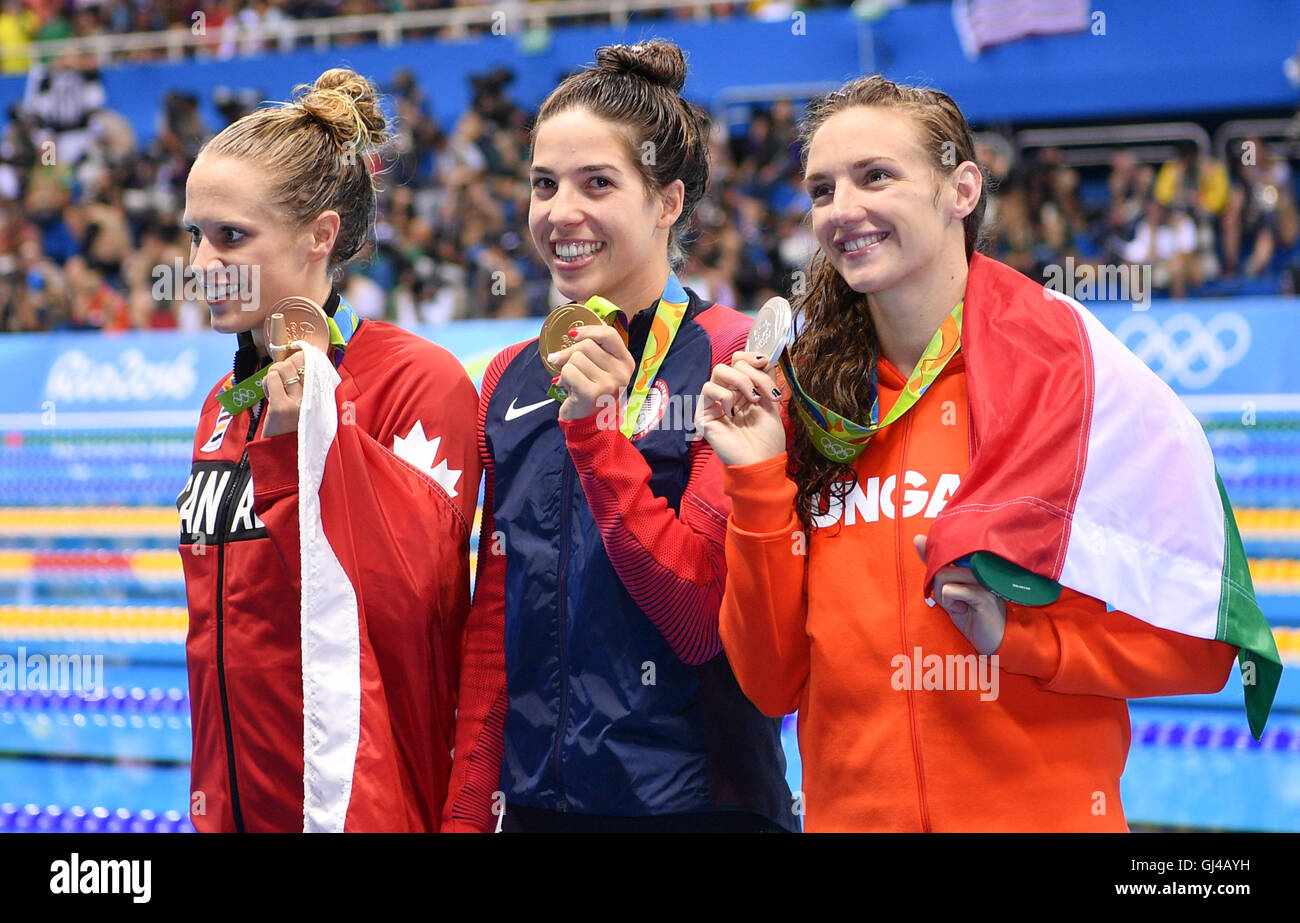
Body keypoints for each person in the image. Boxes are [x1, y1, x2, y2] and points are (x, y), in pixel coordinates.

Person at [696, 75, 1277, 832]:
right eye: (823, 189)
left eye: (876, 175)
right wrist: (757, 482)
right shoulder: (810, 403)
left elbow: (1200, 645)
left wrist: (1027, 640)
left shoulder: (1074, 382)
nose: (843, 210)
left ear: (961, 188)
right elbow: (772, 681)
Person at [442, 41, 795, 833]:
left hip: (701, 805)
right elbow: (495, 621)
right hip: (538, 806)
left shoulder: (738, 357)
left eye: (597, 183)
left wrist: (599, 439)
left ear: (667, 202)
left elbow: (698, 617)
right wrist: (467, 813)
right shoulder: (507, 378)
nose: (559, 212)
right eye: (543, 184)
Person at [177, 68, 480, 832]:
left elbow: (417, 605)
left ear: (321, 234)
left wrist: (314, 431)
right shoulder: (226, 403)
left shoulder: (417, 380)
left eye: (231, 237)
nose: (201, 266)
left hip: (356, 807)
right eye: (194, 235)